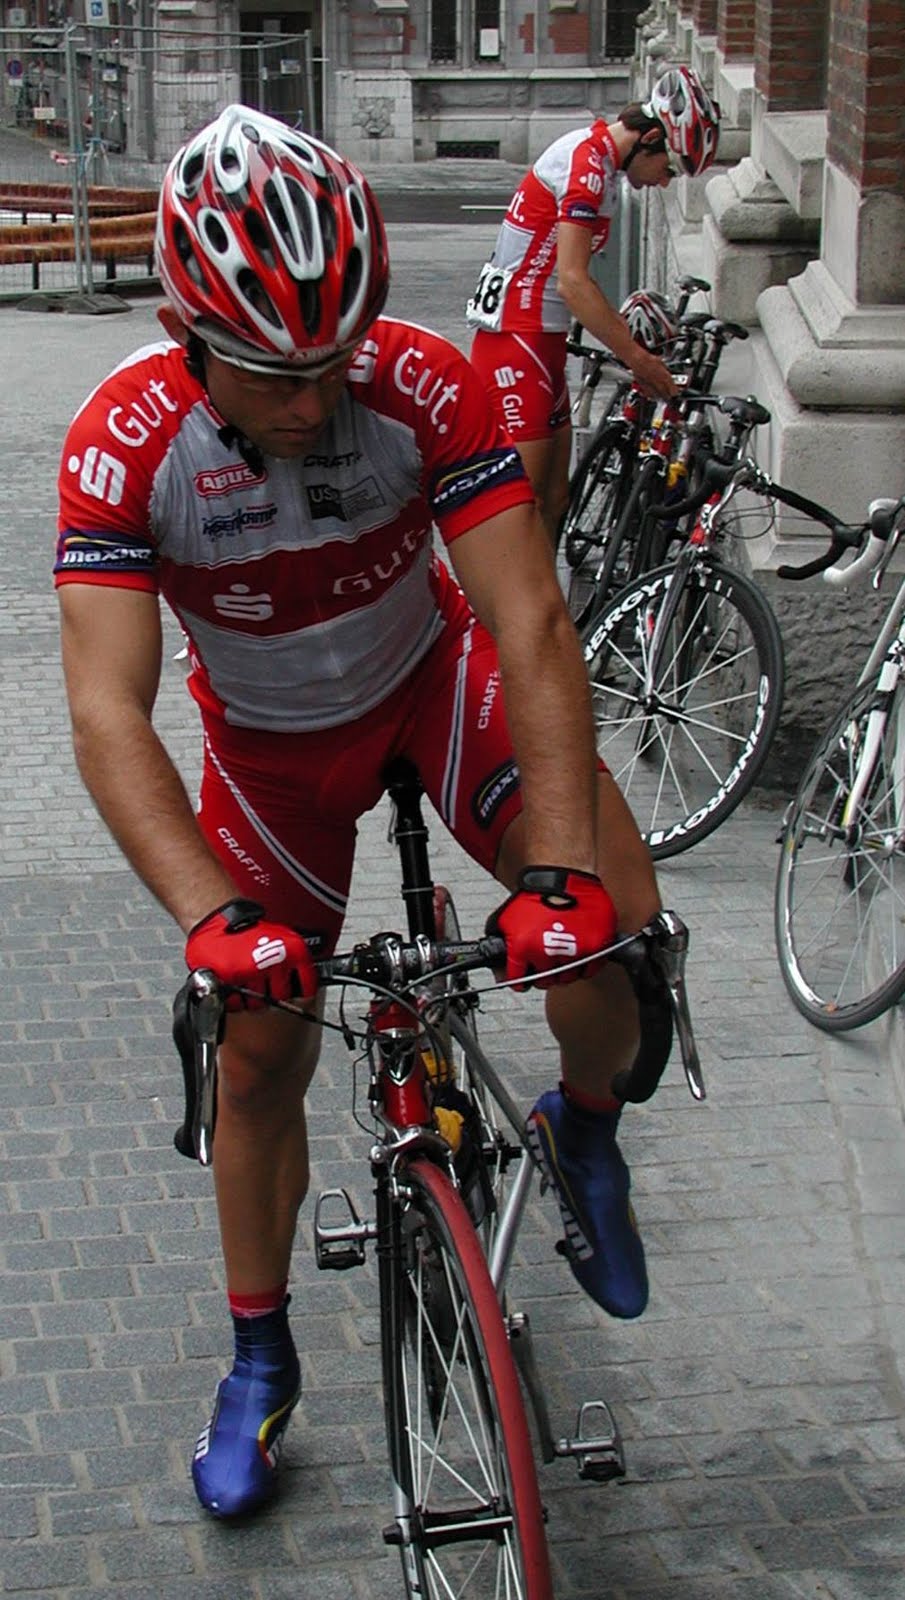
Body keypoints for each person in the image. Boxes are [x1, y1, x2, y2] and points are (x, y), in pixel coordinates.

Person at [55, 105, 664, 1521]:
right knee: (256, 1061)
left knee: (612, 924)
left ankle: (584, 1129)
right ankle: (259, 1364)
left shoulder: (423, 383)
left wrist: (560, 870)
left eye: (338, 357)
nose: (316, 397)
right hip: (269, 758)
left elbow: (526, 621)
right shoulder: (121, 443)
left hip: (430, 684)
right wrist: (212, 920)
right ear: (180, 325)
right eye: (276, 371)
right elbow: (104, 713)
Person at [466, 65, 721, 543]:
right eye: (668, 169)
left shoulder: (599, 160)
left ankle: (541, 617)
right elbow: (574, 282)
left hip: (542, 342)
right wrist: (640, 360)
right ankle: (500, 617)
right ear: (648, 139)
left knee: (556, 502)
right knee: (519, 511)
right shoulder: (587, 165)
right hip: (515, 342)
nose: (665, 182)